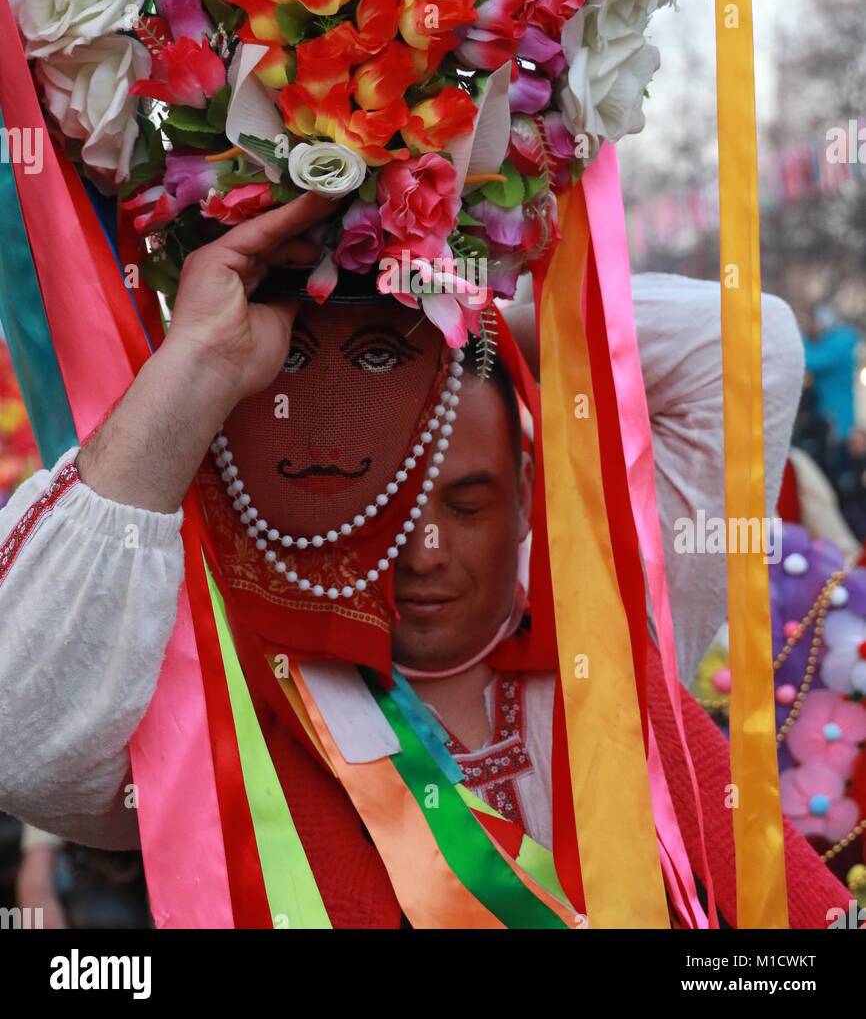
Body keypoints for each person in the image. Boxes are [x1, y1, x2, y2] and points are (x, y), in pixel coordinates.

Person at [0, 198, 814, 922]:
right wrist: (200, 366)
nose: (424, 552)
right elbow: (19, 737)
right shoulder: (237, 704)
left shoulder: (610, 620)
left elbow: (747, 347)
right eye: (380, 511)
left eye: (468, 504)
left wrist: (451, 308)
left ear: (529, 495)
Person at [803, 304, 862, 442]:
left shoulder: (840, 341)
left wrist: (801, 340)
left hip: (837, 414)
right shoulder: (833, 341)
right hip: (828, 411)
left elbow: (811, 360)